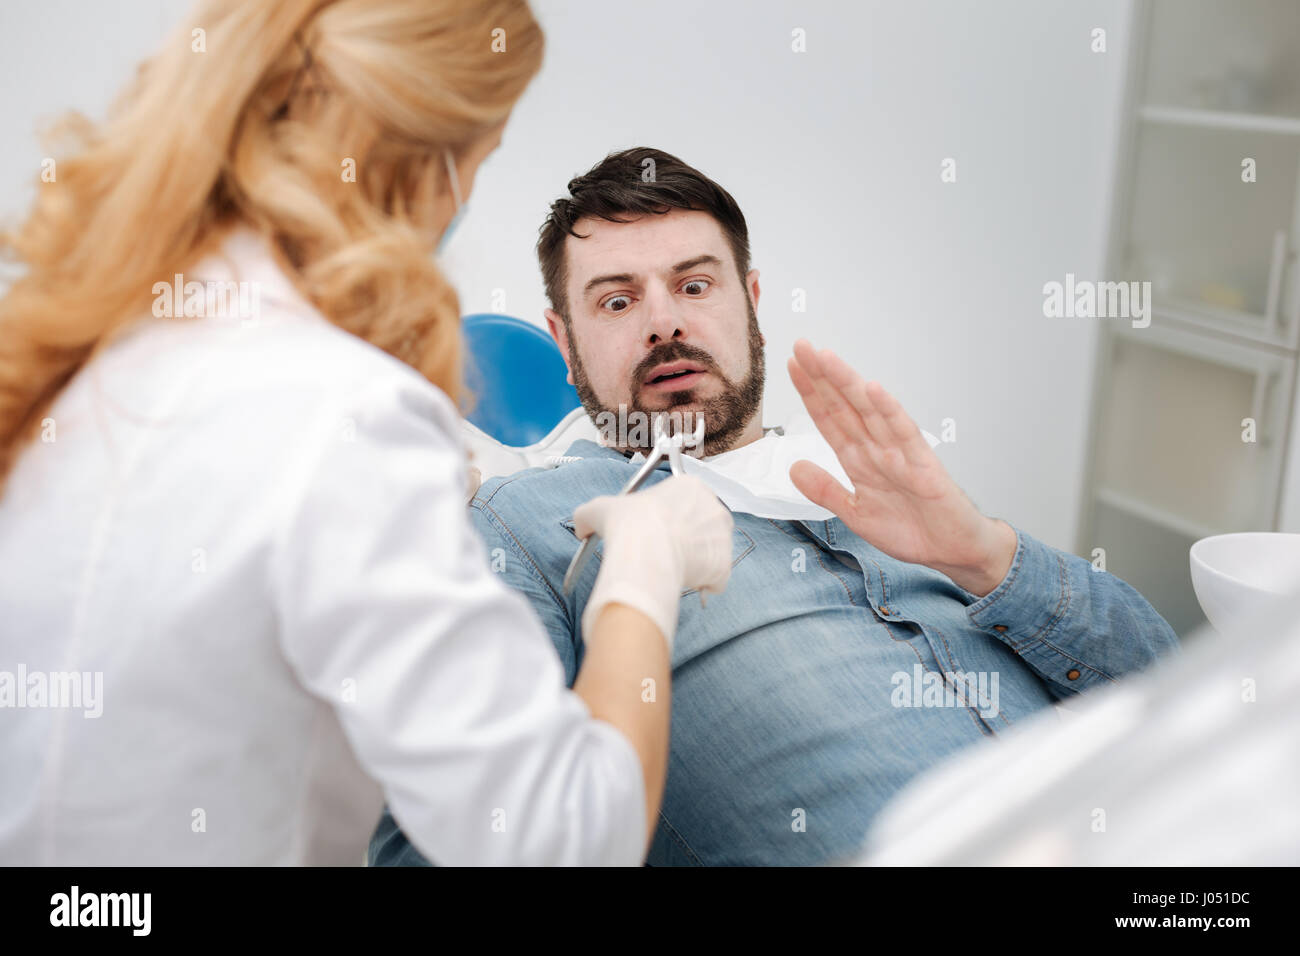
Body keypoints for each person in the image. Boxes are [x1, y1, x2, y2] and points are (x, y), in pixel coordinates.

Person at [0, 3, 734, 866]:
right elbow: (562, 838)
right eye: (481, 160)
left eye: (694, 285)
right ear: (425, 160)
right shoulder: (348, 413)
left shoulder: (89, 367)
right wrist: (643, 562)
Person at [370, 146, 1182, 867]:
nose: (664, 323)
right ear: (563, 339)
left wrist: (983, 553)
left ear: (750, 299)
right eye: (616, 302)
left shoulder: (874, 476)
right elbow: (445, 844)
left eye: (695, 284)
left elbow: (1166, 683)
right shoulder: (529, 522)